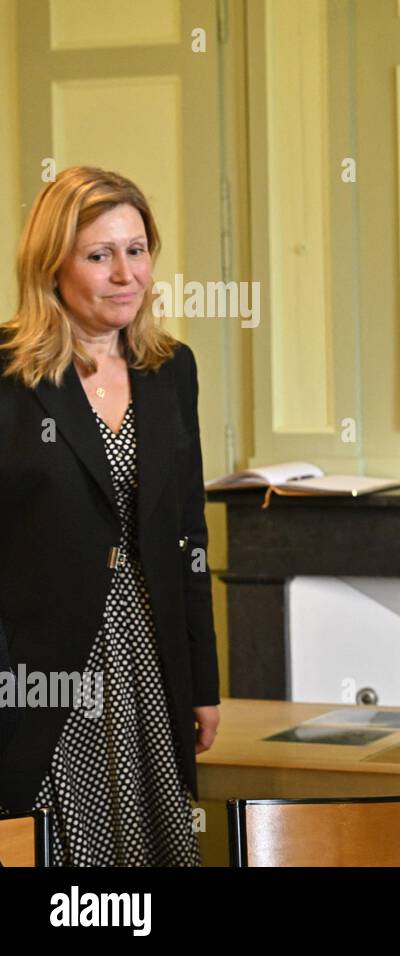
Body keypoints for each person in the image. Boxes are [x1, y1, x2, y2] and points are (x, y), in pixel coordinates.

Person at [0, 166, 220, 865]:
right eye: (99, 255)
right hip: (42, 677)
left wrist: (204, 682)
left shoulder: (171, 367)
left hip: (153, 664)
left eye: (137, 249)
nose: (126, 273)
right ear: (52, 267)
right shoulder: (8, 375)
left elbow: (190, 529)